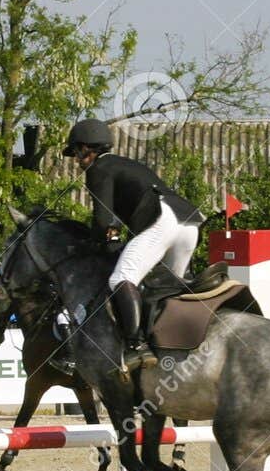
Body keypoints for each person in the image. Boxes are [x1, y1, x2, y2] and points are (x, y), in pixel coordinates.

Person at [61, 117, 203, 352]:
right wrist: (112, 234)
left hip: (162, 221)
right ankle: (178, 343)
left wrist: (91, 243)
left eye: (76, 152)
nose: (76, 160)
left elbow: (102, 219)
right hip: (187, 222)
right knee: (167, 290)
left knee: (121, 279)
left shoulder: (99, 168)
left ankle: (136, 347)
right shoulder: (124, 164)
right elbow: (115, 220)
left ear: (87, 148)